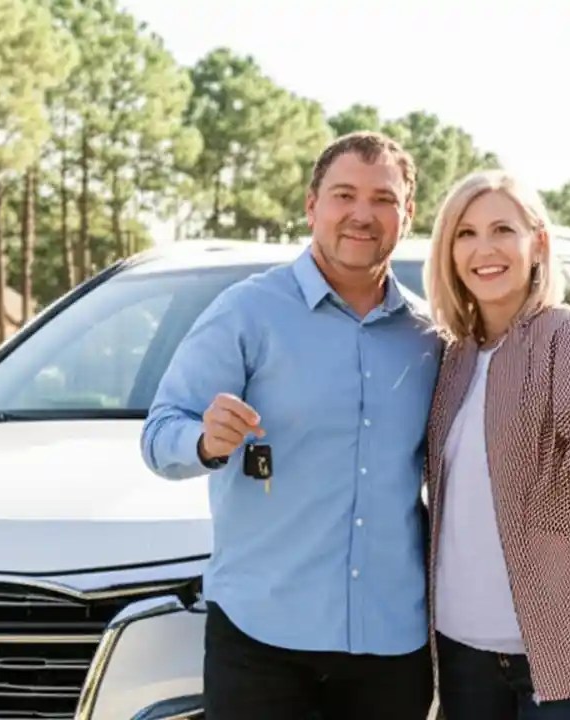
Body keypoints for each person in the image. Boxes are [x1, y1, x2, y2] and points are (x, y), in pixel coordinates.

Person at [140, 131, 442, 720]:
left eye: (383, 199)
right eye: (343, 195)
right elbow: (158, 434)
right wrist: (203, 442)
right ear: (311, 205)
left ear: (407, 214)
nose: (362, 214)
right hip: (262, 643)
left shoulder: (430, 337)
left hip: (391, 646)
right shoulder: (246, 312)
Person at [420, 168, 570, 719]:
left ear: (538, 243)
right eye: (466, 233)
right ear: (450, 251)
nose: (484, 248)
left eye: (502, 229)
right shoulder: (454, 358)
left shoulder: (566, 335)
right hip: (462, 651)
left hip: (560, 652)